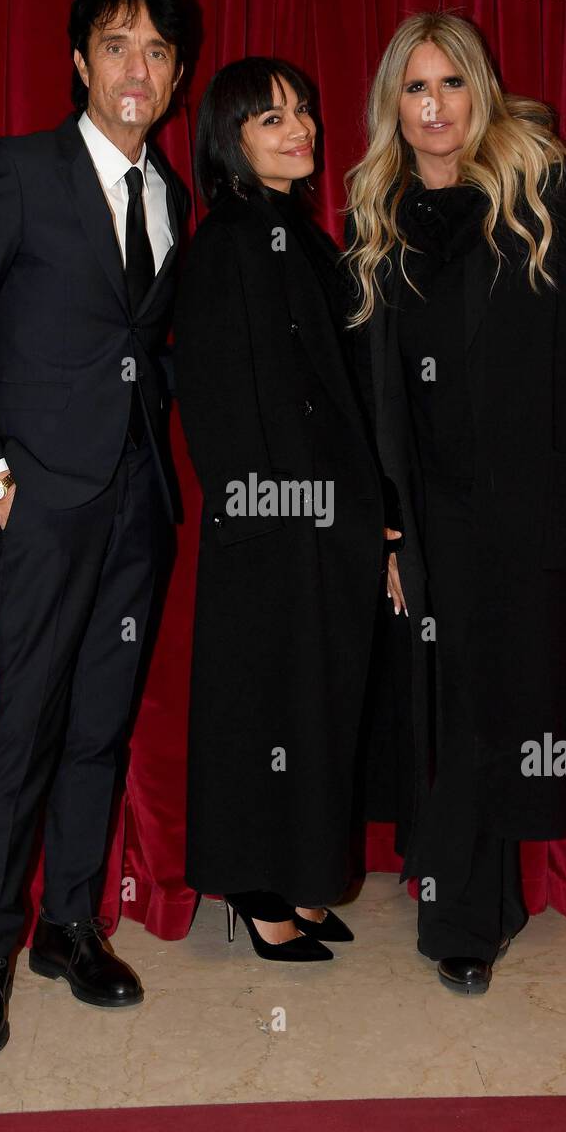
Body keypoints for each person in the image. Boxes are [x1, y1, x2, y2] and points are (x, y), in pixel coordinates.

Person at [0, 0, 191, 1055]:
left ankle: (67, 926)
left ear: (174, 76)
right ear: (80, 60)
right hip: (38, 503)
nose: (138, 68)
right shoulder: (16, 173)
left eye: (158, 51)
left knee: (98, 725)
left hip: (136, 506)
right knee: (21, 730)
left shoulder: (172, 192)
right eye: (117, 45)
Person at [344, 12, 566, 994]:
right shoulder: (377, 212)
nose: (433, 107)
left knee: (502, 696)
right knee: (447, 698)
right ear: (396, 102)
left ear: (479, 88)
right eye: (414, 89)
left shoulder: (544, 191)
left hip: (530, 496)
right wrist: (384, 524)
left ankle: (469, 905)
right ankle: (469, 909)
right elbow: (366, 386)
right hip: (428, 506)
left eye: (450, 84)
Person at [173, 58, 390, 960]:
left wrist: (362, 506)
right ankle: (257, 888)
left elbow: (335, 388)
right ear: (231, 140)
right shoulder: (227, 240)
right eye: (270, 119)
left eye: (301, 110)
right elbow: (219, 403)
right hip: (271, 527)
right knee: (263, 707)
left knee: (313, 707)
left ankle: (298, 879)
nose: (298, 128)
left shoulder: (300, 232)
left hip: (323, 520)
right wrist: (273, 518)